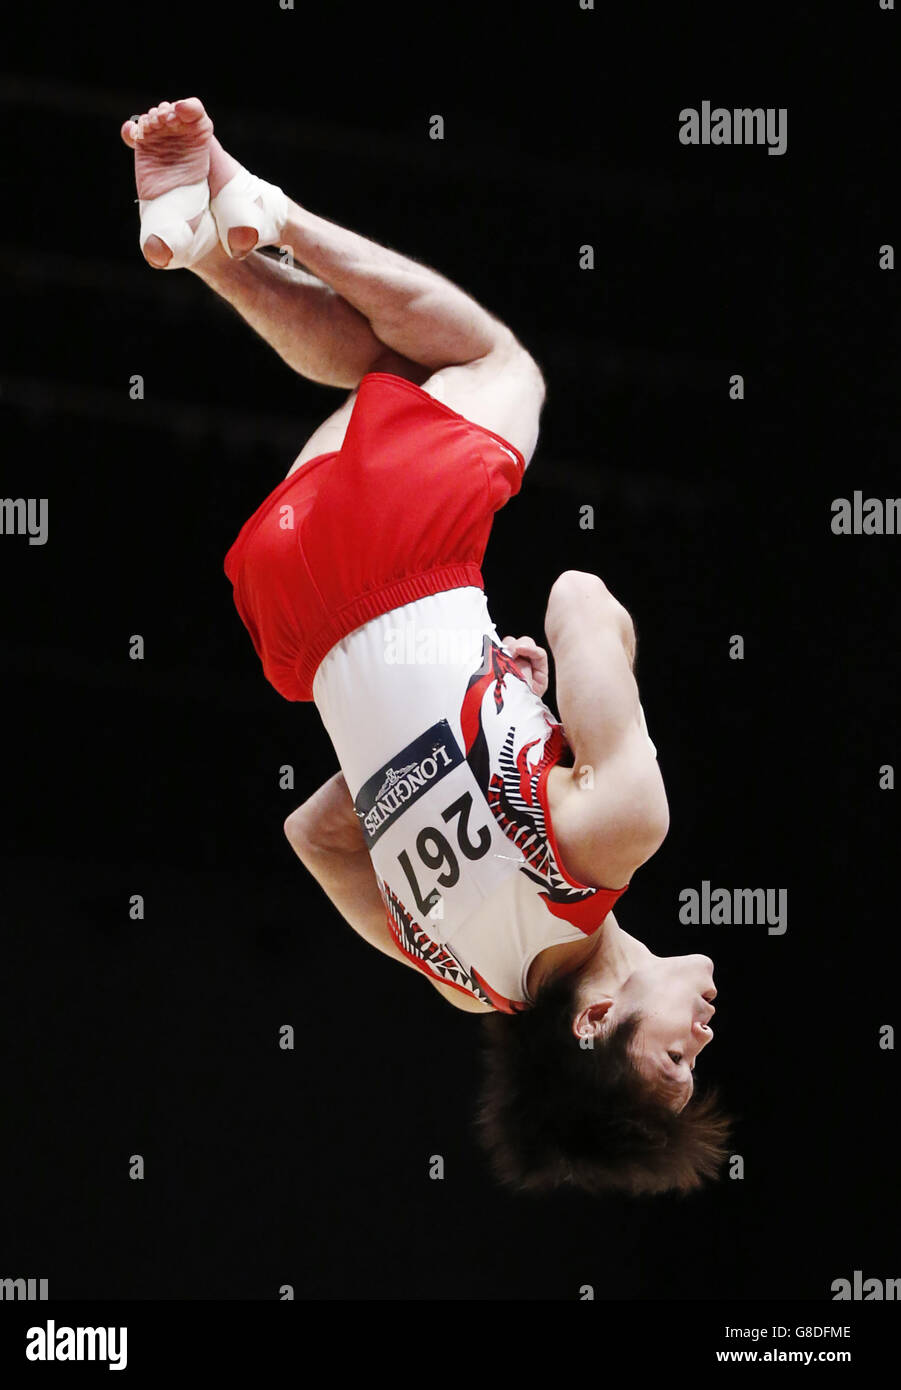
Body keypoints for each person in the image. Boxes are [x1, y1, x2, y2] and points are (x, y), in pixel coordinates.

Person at [122, 97, 731, 1195]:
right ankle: (202, 236)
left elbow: (579, 597)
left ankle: (271, 211)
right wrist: (461, 725)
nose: (703, 1033)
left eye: (674, 1056)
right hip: (294, 609)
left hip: (403, 558)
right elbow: (316, 833)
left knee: (503, 365)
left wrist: (556, 685)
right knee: (380, 373)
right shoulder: (459, 978)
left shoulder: (620, 828)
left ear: (596, 1020)